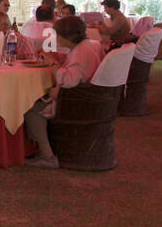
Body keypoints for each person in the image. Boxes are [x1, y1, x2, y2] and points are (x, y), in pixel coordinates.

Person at [23, 15, 106, 169]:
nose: (55, 38)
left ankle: (47, 156)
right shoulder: (86, 46)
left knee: (31, 107)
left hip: (76, 103)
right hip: (89, 98)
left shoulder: (81, 52)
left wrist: (52, 62)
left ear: (68, 36)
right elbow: (75, 64)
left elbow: (68, 81)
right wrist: (59, 56)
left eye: (57, 35)